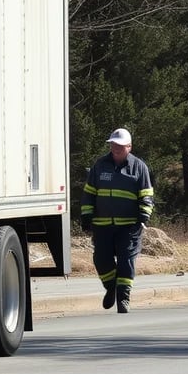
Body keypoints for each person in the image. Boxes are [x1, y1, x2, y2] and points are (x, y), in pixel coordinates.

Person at [81, 128, 154, 314]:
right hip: (103, 226)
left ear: (129, 147)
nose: (115, 148)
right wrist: (86, 216)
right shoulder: (100, 165)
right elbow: (89, 193)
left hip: (129, 226)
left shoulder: (139, 167)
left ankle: (123, 298)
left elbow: (146, 194)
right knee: (101, 259)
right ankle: (111, 286)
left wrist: (144, 215)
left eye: (120, 145)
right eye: (113, 144)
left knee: (126, 262)